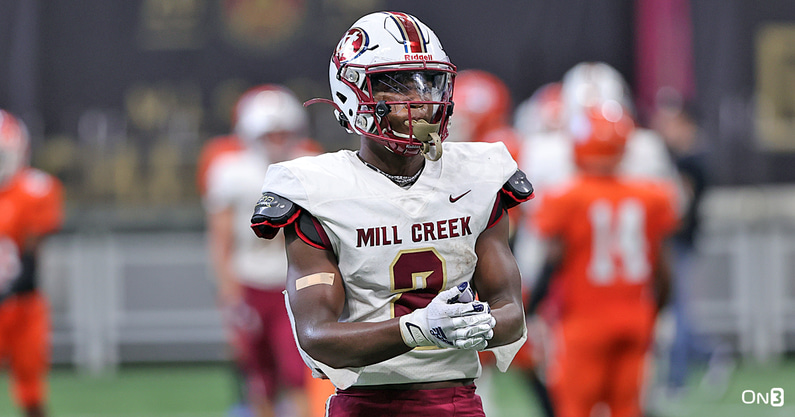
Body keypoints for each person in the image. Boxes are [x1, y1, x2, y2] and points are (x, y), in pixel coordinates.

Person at [250, 11, 533, 416]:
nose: (420, 100)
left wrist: (475, 323)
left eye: (428, 82)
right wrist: (418, 329)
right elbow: (316, 335)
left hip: (455, 401)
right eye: (396, 85)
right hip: (366, 403)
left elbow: (511, 314)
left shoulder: (477, 176)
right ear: (352, 93)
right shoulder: (316, 190)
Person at [528, 103, 677, 417]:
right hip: (636, 317)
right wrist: (656, 312)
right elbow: (663, 270)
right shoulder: (652, 195)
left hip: (584, 322)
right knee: (627, 408)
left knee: (575, 408)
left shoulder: (565, 197)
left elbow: (553, 262)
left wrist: (532, 309)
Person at [203, 85, 318, 417]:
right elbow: (221, 240)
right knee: (259, 378)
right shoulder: (230, 171)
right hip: (250, 283)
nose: (277, 140)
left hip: (296, 283)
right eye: (269, 133)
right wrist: (228, 294)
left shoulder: (310, 166)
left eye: (283, 132)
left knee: (298, 373)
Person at [0, 110, 65, 417]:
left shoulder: (33, 190)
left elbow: (29, 264)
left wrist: (8, 289)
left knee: (31, 392)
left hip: (22, 303)